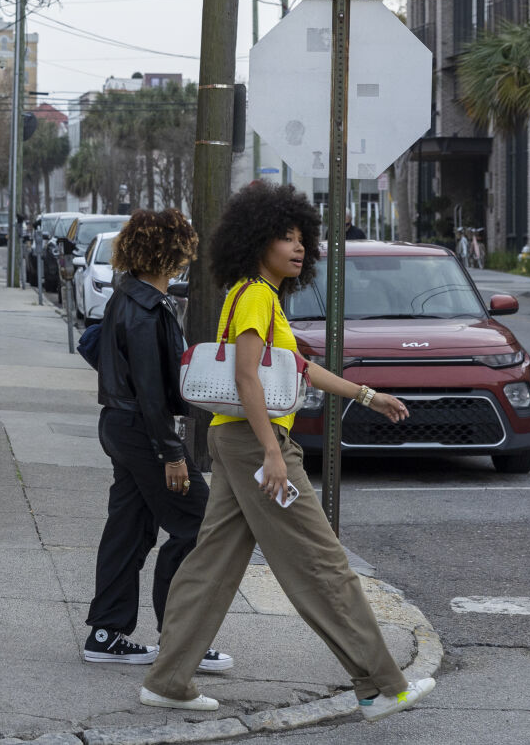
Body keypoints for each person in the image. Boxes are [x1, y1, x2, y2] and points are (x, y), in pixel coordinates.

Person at [139, 184, 436, 723]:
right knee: (321, 564)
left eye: (303, 239)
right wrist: (274, 452)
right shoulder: (254, 294)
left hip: (233, 441)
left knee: (211, 564)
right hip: (256, 443)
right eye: (285, 237)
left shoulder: (256, 294)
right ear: (258, 241)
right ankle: (379, 685)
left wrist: (367, 395)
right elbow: (247, 376)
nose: (298, 248)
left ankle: (167, 679)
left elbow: (296, 369)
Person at [83, 209, 233, 675]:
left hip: (123, 426)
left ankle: (106, 633)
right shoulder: (147, 307)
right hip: (146, 432)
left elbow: (95, 344)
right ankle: (181, 639)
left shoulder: (128, 296)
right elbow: (150, 387)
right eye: (185, 247)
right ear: (173, 253)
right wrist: (171, 452)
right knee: (199, 525)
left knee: (129, 528)